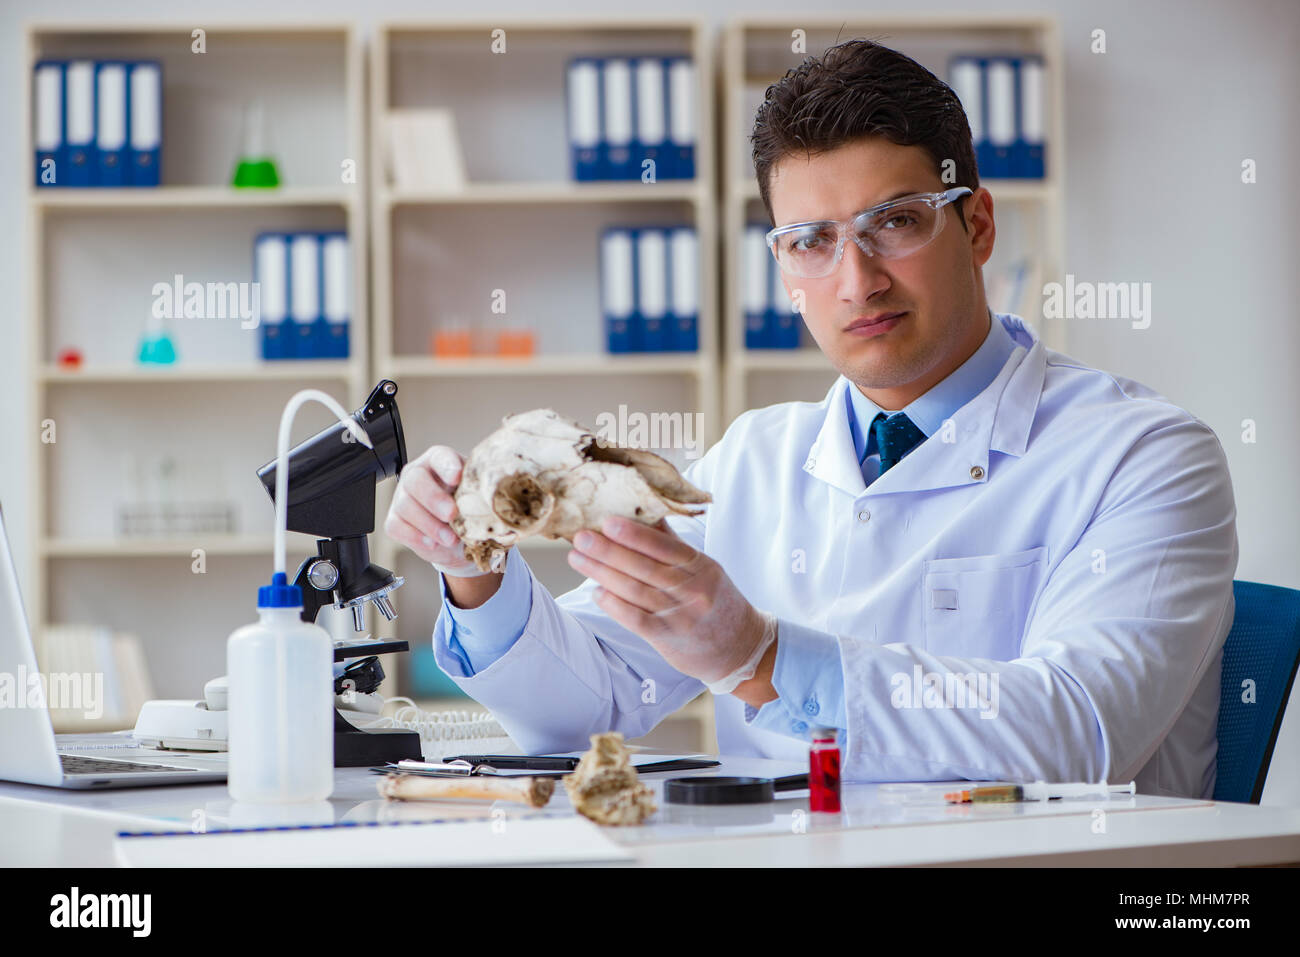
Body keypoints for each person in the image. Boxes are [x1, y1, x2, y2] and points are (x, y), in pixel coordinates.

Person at [384, 39, 1237, 799]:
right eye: (811, 241)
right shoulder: (754, 460)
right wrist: (476, 572)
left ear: (975, 224)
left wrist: (764, 659)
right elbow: (586, 704)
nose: (856, 281)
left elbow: (1084, 731)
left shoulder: (1145, 456)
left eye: (894, 223)